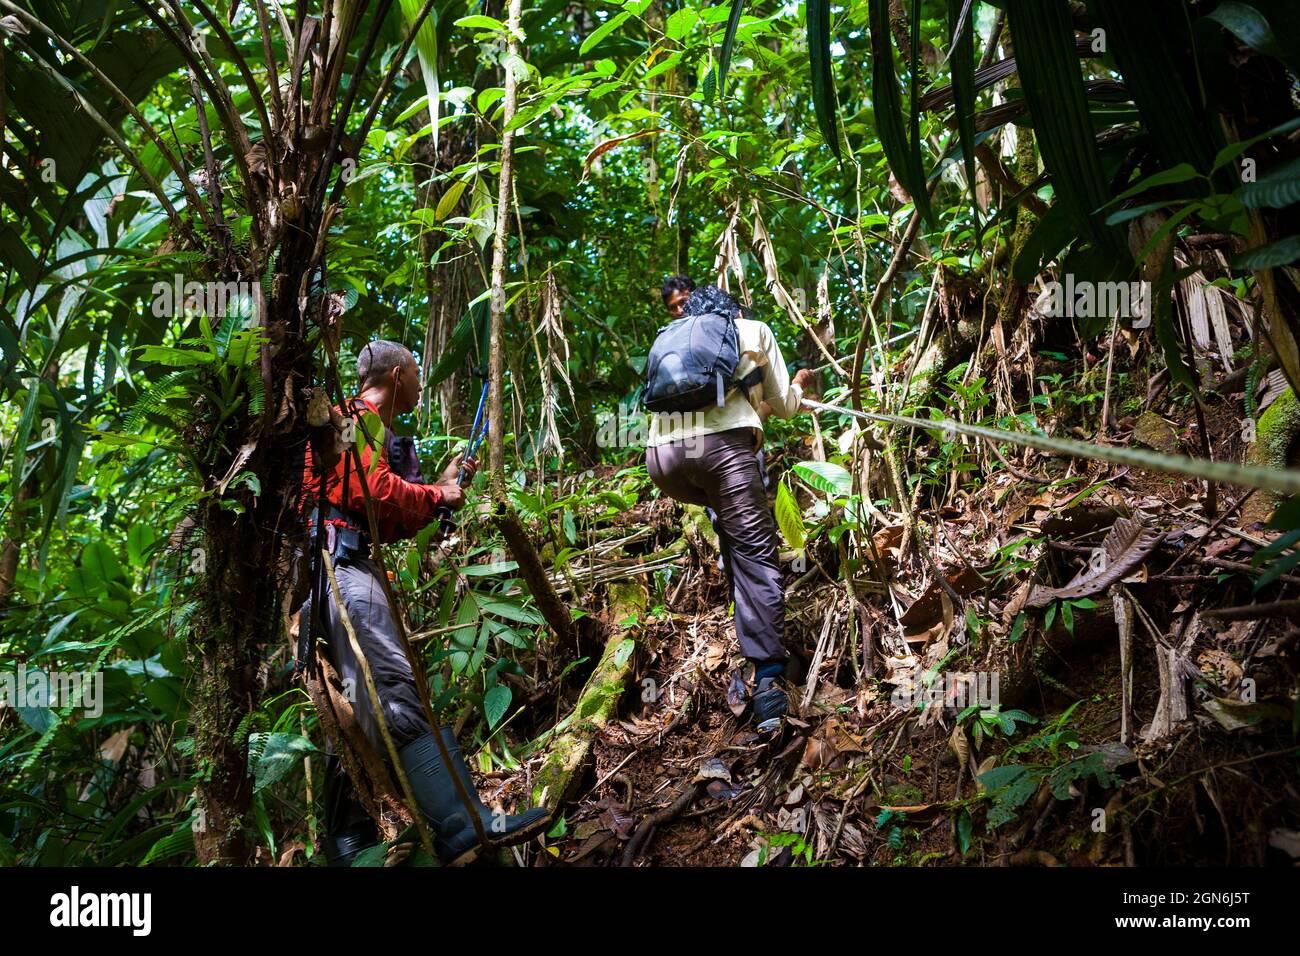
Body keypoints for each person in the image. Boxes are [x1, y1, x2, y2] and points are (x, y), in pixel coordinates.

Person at [300, 340, 548, 865]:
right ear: (394, 374)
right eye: (416, 372)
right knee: (389, 684)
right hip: (339, 567)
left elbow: (384, 514)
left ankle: (350, 842)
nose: (421, 380)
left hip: (345, 563)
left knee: (359, 701)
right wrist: (439, 494)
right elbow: (373, 491)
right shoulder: (349, 419)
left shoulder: (370, 429)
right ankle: (460, 825)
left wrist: (441, 489)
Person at [645, 286, 816, 732]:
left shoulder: (674, 338)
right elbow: (784, 406)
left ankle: (738, 578)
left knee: (735, 531)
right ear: (733, 311)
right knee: (756, 553)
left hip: (663, 462)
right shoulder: (751, 329)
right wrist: (799, 384)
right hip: (722, 452)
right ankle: (770, 683)